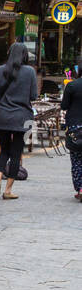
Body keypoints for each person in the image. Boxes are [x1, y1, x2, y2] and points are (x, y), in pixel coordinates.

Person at [0, 42, 38, 200]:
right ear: (25, 55)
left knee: (4, 150)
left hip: (2, 116)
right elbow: (33, 96)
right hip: (22, 118)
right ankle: (7, 190)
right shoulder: (29, 72)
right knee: (16, 153)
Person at [63, 72, 82, 201]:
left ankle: (80, 188)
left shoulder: (72, 86)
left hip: (75, 126)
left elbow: (64, 105)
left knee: (76, 159)